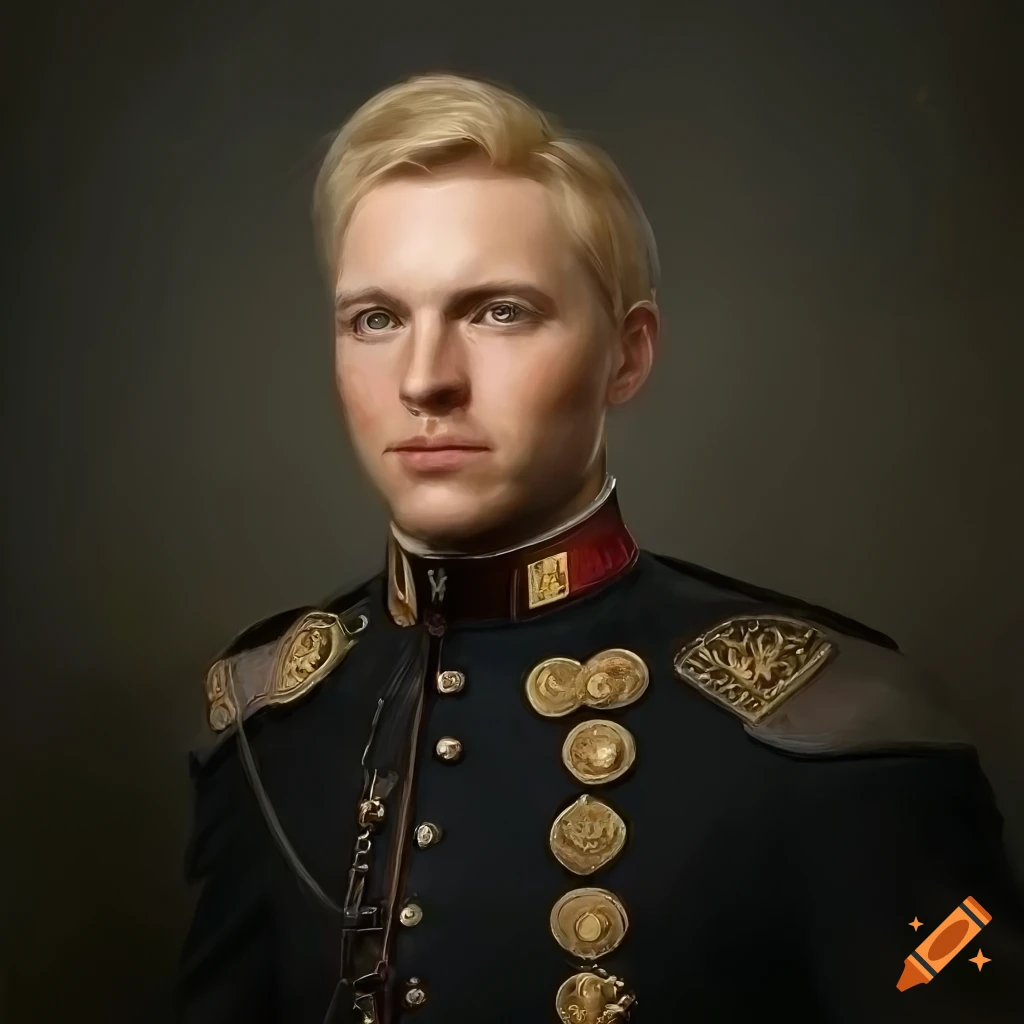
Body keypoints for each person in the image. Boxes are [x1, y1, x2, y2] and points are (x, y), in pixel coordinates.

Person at [174, 73, 1024, 1024]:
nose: (425, 379)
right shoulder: (270, 724)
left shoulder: (829, 724)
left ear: (629, 354)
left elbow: (947, 975)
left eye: (499, 311)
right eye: (377, 319)